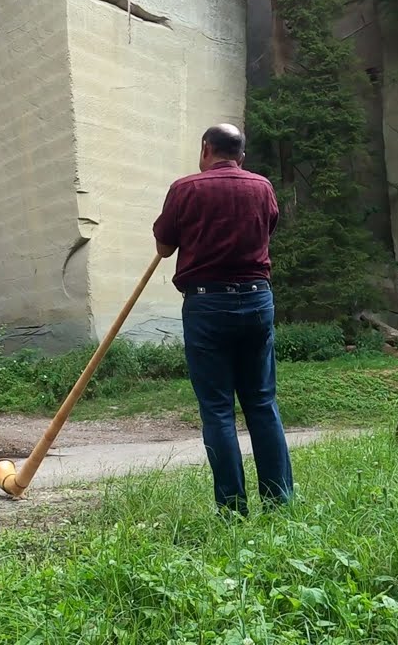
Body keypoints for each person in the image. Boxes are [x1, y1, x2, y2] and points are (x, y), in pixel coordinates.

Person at [152, 123, 293, 516]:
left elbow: (164, 247)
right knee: (262, 403)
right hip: (256, 300)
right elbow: (267, 230)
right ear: (240, 156)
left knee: (217, 410)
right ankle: (279, 502)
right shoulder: (262, 187)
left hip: (206, 304)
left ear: (205, 150)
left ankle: (232, 508)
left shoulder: (185, 189)